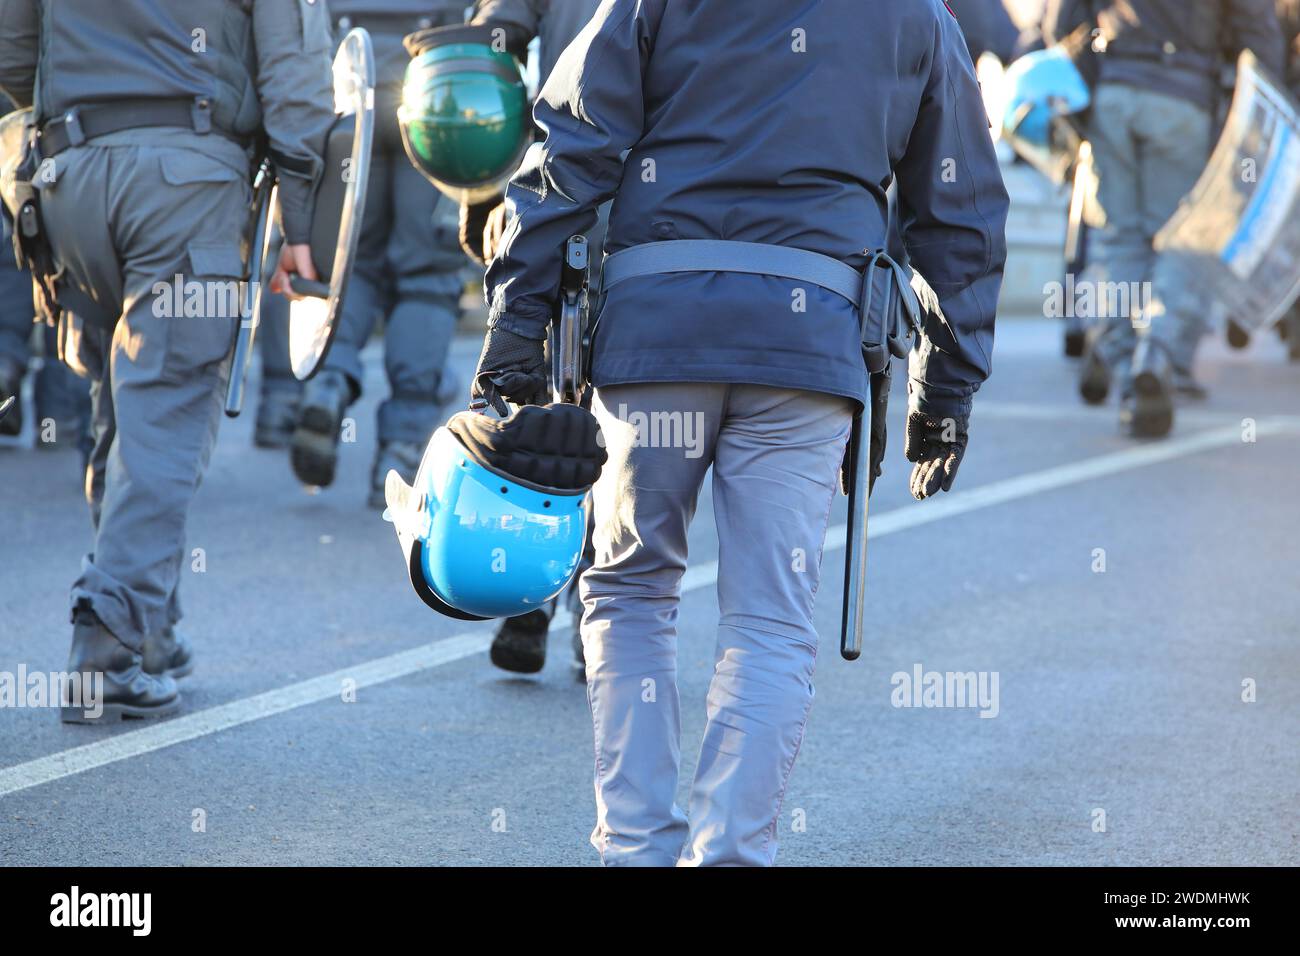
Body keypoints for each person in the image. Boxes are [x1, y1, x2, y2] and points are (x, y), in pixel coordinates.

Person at [474, 0, 1008, 865]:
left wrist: (513, 334)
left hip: (655, 333)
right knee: (770, 620)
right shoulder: (917, 14)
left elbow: (570, 148)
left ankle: (637, 848)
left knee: (631, 591)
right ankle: (728, 856)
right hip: (810, 345)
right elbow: (963, 209)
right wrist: (945, 389)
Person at [0, 0, 334, 721]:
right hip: (187, 180)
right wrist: (305, 219)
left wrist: (86, 97)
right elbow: (295, 75)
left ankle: (147, 626)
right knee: (165, 413)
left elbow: (10, 49)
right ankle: (108, 645)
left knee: (120, 407)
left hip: (69, 180)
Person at [1045, 0, 1284, 436]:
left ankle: (1121, 356)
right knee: (1178, 238)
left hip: (1113, 91)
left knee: (1119, 236)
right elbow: (1257, 28)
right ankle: (1155, 353)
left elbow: (1061, 22)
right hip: (1182, 96)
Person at [462, 0, 605, 679]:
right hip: (655, 212)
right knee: (621, 419)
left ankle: (528, 581)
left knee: (534, 390)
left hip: (552, 189)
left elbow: (485, 54)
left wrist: (483, 190)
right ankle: (596, 617)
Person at [288, 1, 469, 507]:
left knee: (349, 266)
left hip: (347, 102)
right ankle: (399, 447)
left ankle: (328, 385)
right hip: (437, 104)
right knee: (427, 277)